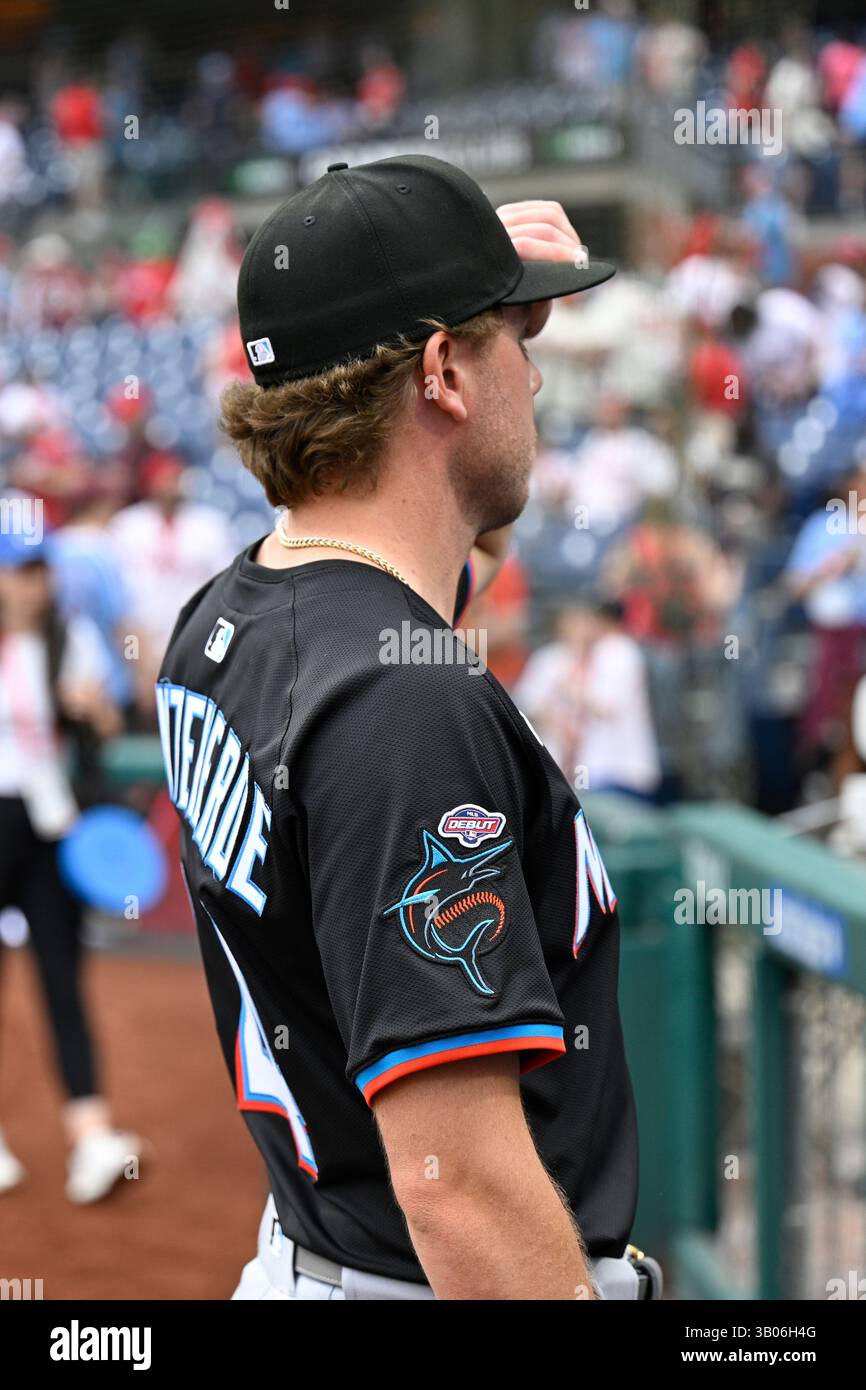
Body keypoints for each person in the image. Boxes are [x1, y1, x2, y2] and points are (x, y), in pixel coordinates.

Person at [158, 156, 659, 1301]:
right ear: (440, 372)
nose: (533, 377)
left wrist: (490, 302)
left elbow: (423, 576)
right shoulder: (402, 705)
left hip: (314, 1253)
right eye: (513, 346)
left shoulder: (230, 614)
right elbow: (458, 1189)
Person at [0, 532, 140, 1202]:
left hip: (53, 827)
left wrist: (95, 711)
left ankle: (92, 1135)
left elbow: (110, 725)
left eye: (38, 571)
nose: (32, 585)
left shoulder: (71, 636)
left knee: (63, 978)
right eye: (18, 571)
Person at [514, 601, 660, 798]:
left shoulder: (615, 652)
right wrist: (553, 721)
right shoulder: (550, 658)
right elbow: (525, 703)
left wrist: (570, 689)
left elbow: (607, 706)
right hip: (569, 769)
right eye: (572, 622)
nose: (580, 629)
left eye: (585, 621)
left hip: (617, 770)